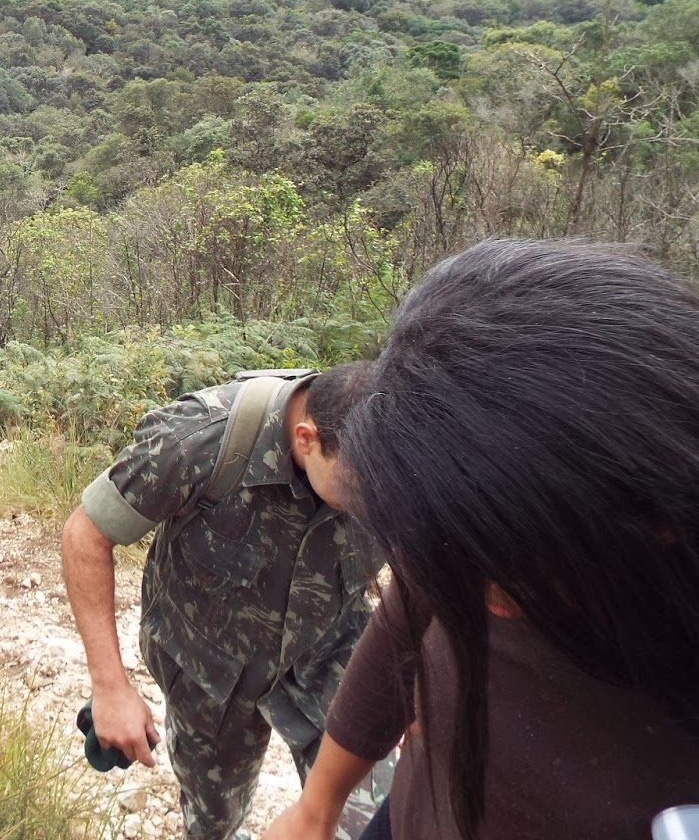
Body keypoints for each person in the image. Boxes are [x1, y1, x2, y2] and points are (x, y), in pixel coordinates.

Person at [262, 239, 699, 840]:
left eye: (499, 556)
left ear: (654, 515)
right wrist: (318, 806)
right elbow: (398, 628)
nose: (462, 583)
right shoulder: (463, 525)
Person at [62, 362, 393, 840]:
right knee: (214, 824)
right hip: (210, 671)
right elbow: (85, 536)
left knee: (376, 818)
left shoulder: (405, 457)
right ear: (306, 439)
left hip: (330, 649)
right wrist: (111, 687)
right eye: (357, 491)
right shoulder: (197, 441)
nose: (373, 507)